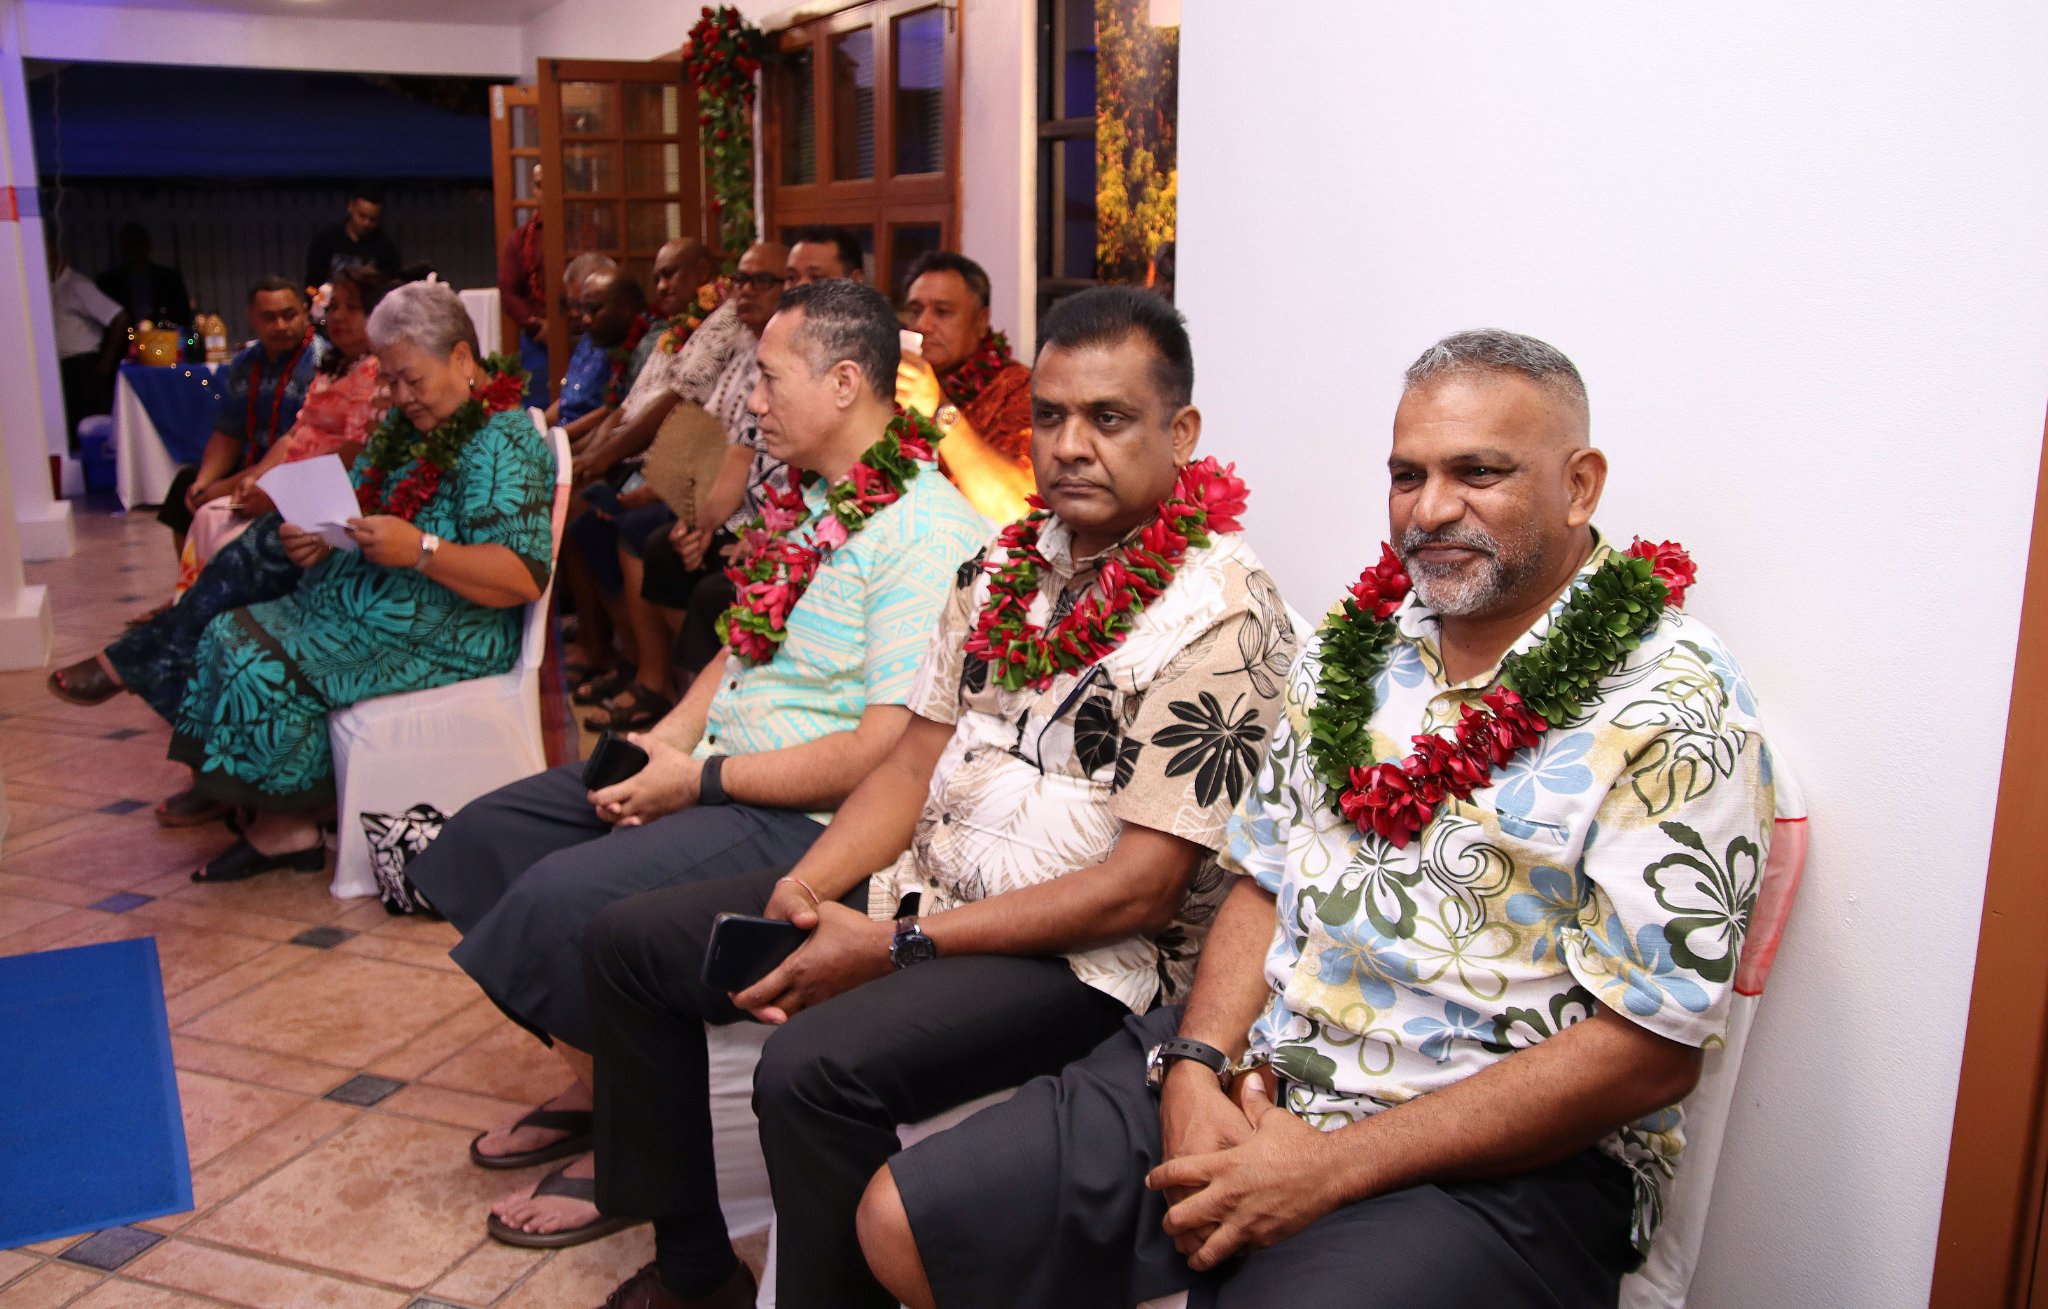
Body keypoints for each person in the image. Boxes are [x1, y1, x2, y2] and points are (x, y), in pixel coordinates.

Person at [857, 329, 1776, 1309]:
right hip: (1265, 1057)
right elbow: (1259, 873)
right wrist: (1196, 1067)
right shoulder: (1357, 647)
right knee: (901, 1220)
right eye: (1406, 474)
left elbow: (1644, 1050)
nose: (1428, 510)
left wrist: (1327, 1167)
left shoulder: (1674, 698)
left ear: (1578, 484)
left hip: (1498, 1161)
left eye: (1478, 473)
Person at [577, 285, 1295, 1309]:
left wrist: (890, 948)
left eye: (1109, 418)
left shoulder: (1226, 615)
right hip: (917, 889)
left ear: (1178, 432)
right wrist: (808, 886)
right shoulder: (1001, 563)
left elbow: (1136, 892)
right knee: (632, 941)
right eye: (1048, 416)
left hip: (1081, 958)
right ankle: (697, 1267)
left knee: (811, 1069)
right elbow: (910, 763)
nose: (1070, 446)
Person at [403, 279, 988, 1255]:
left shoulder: (924, 533)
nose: (747, 402)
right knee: (488, 837)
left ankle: (632, 1162)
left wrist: (698, 783)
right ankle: (600, 1087)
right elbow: (744, 641)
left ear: (844, 383)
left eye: (764, 379)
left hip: (798, 811)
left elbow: (886, 752)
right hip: (717, 762)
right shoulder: (812, 496)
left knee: (563, 902)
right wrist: (669, 739)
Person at [53, 282, 556, 884]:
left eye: (411, 380)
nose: (399, 396)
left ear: (462, 359)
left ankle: (286, 825)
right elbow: (363, 505)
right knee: (227, 627)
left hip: (452, 625)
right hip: (377, 600)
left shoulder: (502, 441)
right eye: (390, 382)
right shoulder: (404, 429)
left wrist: (419, 549)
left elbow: (520, 576)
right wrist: (319, 537)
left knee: (255, 657)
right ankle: (283, 820)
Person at [570, 241, 786, 728]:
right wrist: (699, 519)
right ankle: (658, 680)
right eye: (742, 280)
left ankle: (694, 698)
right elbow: (731, 442)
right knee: (641, 537)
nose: (744, 292)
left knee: (654, 546)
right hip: (721, 499)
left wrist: (750, 537)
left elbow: (781, 472)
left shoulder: (785, 357)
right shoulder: (740, 343)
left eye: (762, 281)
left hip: (765, 520)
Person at [178, 264, 395, 588]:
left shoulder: (379, 370)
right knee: (209, 515)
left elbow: (355, 451)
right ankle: (188, 604)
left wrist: (281, 492)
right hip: (289, 475)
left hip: (325, 488)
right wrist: (258, 477)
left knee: (229, 535)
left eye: (353, 308)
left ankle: (208, 615)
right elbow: (293, 434)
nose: (338, 317)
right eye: (334, 307)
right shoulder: (334, 366)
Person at [157, 278, 330, 555]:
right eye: (269, 318)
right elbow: (229, 431)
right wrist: (204, 483)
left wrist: (226, 487)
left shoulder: (324, 361)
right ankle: (188, 587)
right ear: (251, 319)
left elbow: (299, 443)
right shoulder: (244, 363)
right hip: (253, 461)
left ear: (305, 312)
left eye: (289, 315)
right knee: (186, 487)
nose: (281, 326)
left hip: (300, 466)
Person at [894, 250, 1036, 523]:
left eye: (942, 312)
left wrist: (937, 408)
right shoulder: (890, 386)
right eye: (915, 311)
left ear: (981, 321)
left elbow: (1013, 510)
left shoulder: (1020, 388)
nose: (923, 324)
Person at [49, 249, 128, 446]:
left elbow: (119, 317)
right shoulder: (48, 288)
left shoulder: (77, 286)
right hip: (62, 368)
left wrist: (106, 360)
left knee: (84, 428)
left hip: (82, 366)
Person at [499, 163, 549, 407]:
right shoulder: (519, 239)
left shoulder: (585, 233)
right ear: (533, 189)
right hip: (536, 338)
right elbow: (508, 291)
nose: (546, 192)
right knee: (534, 410)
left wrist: (562, 327)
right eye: (540, 186)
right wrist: (535, 324)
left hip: (581, 334)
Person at [304, 182, 403, 289]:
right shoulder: (325, 240)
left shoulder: (385, 248)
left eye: (372, 219)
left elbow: (394, 288)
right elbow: (310, 287)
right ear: (350, 207)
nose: (366, 223)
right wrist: (318, 301)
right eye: (362, 216)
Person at [96, 223, 193, 327]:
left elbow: (183, 316)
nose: (134, 249)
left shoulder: (169, 279)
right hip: (124, 341)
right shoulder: (108, 282)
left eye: (137, 243)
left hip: (165, 339)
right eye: (128, 244)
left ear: (147, 245)